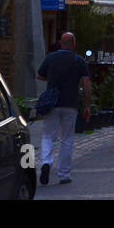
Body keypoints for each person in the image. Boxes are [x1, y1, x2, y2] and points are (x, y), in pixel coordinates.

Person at [35, 32, 91, 186]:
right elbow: (86, 84)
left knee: (48, 136)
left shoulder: (51, 58)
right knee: (67, 139)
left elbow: (39, 76)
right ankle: (64, 174)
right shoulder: (78, 60)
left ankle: (46, 162)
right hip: (70, 104)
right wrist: (87, 105)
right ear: (74, 43)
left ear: (61, 43)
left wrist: (51, 79)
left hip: (52, 103)